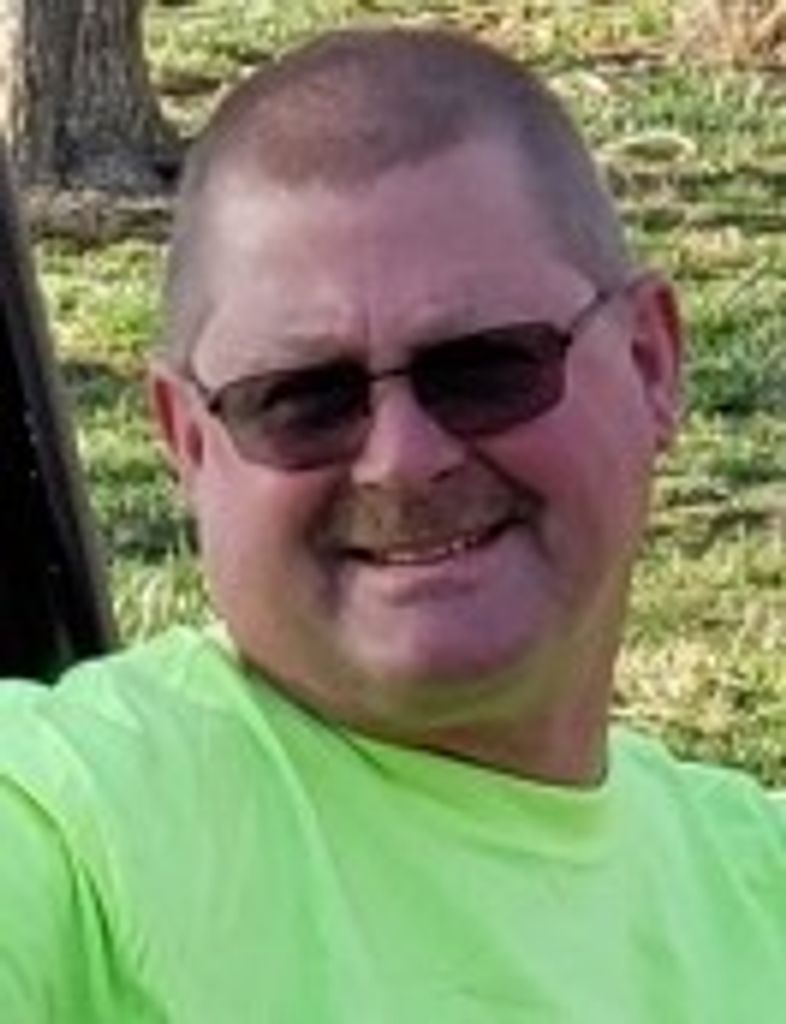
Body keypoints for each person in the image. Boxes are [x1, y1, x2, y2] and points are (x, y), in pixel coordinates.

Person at [0, 26, 782, 1022]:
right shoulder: (71, 820)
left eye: (485, 366)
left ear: (649, 364)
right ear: (188, 443)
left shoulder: (758, 884)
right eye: (302, 399)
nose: (402, 459)